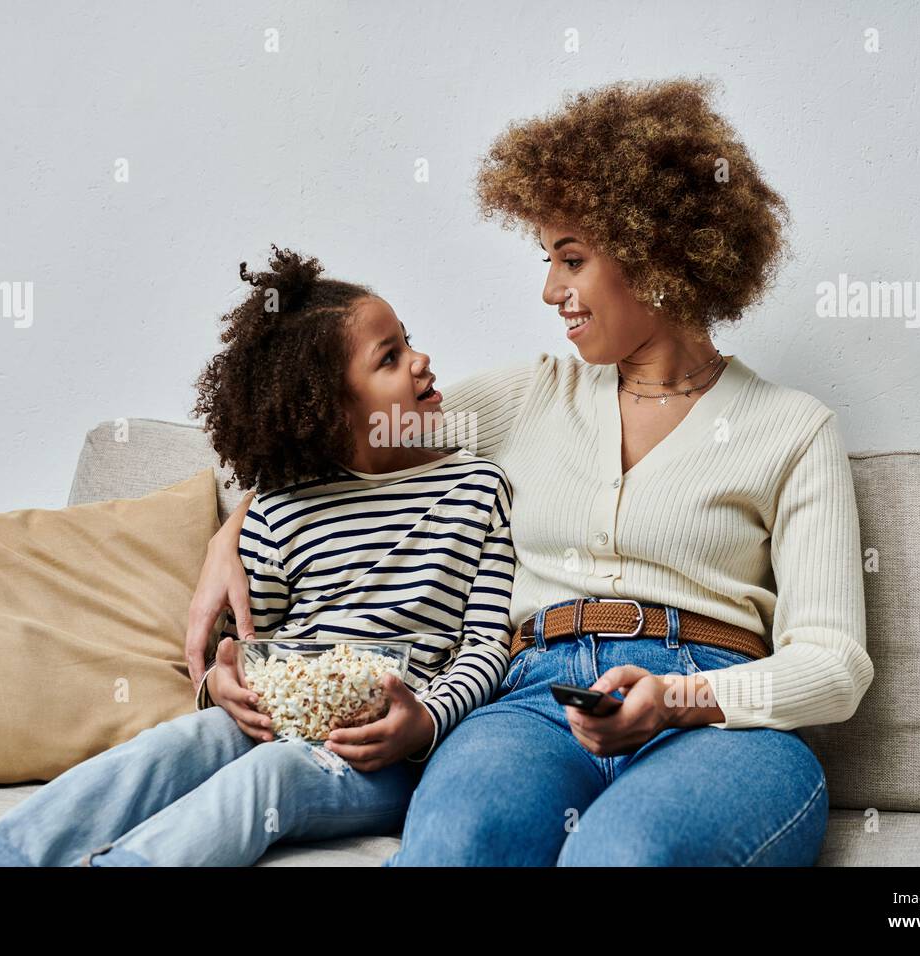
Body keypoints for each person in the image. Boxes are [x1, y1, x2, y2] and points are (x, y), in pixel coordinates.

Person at [188, 78, 875, 866]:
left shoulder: (793, 429)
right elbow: (337, 432)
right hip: (530, 703)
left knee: (621, 854)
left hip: (714, 716)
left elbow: (835, 666)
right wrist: (234, 525)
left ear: (655, 252)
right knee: (452, 844)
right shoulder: (528, 398)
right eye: (548, 258)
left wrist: (681, 698)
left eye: (572, 260)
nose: (551, 290)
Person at [0, 245, 514, 866]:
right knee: (174, 744)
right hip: (272, 717)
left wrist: (422, 722)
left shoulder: (476, 490)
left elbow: (486, 644)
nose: (421, 360)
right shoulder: (279, 511)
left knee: (272, 775)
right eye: (390, 358)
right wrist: (221, 684)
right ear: (333, 407)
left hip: (377, 754)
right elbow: (243, 645)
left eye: (408, 341)